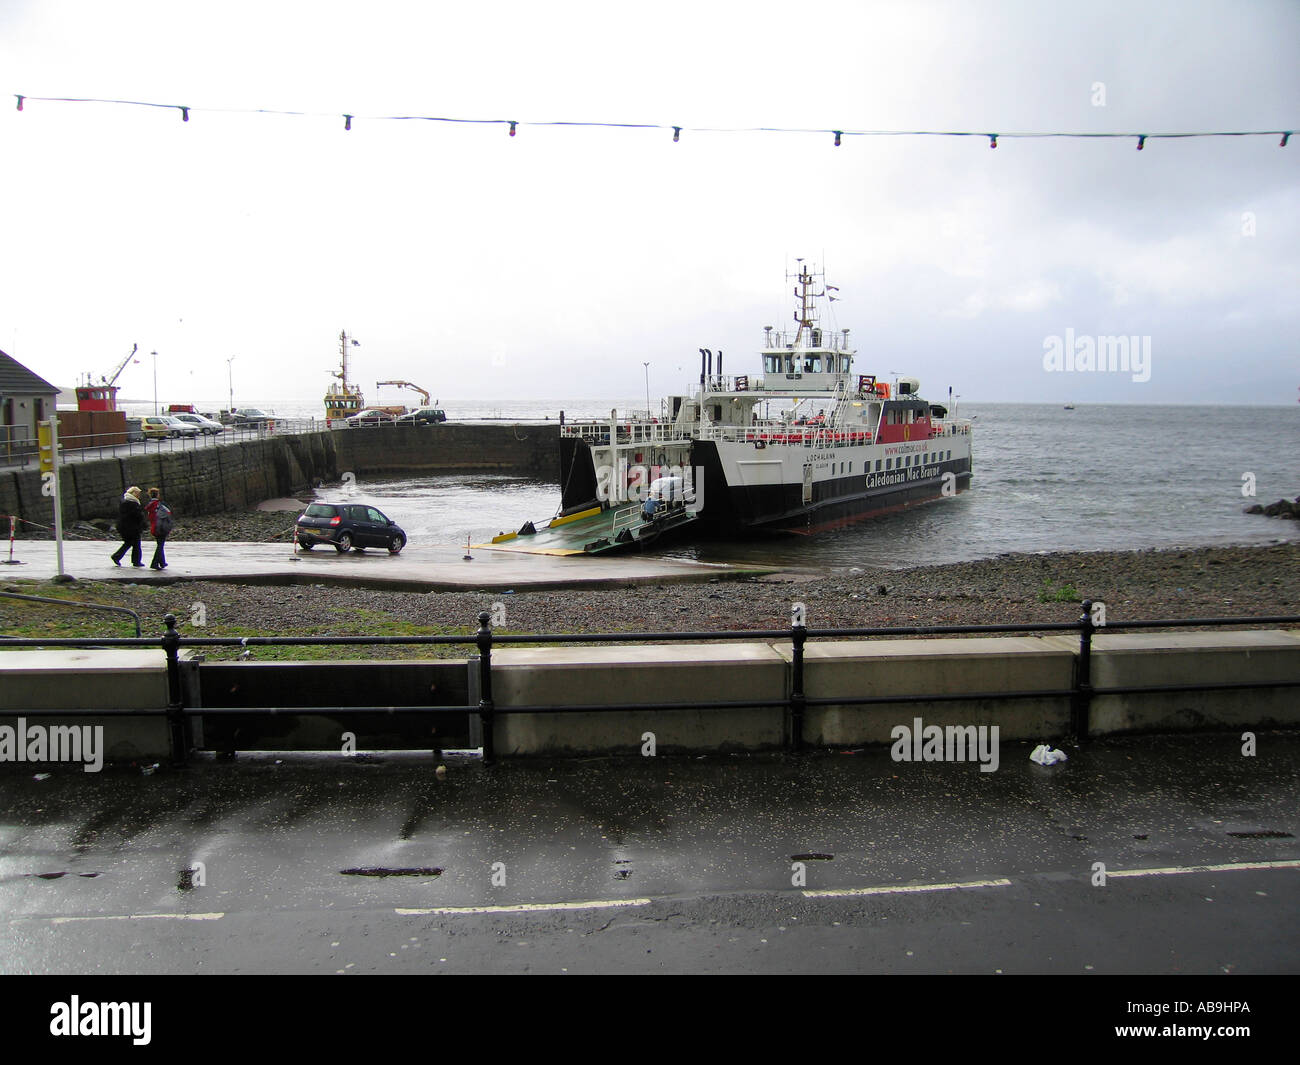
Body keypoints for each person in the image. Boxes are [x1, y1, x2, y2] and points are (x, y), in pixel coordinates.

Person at [111, 486, 145, 567]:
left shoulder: (124, 502)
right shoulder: (133, 503)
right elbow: (137, 516)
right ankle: (136, 561)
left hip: (124, 527)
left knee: (129, 543)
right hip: (131, 527)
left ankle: (117, 556)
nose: (139, 495)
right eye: (138, 493)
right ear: (134, 493)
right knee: (136, 544)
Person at [144, 487, 171, 570]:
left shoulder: (149, 505)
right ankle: (154, 563)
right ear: (158, 495)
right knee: (160, 546)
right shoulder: (159, 505)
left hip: (153, 527)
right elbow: (168, 513)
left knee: (159, 544)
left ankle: (162, 562)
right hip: (160, 527)